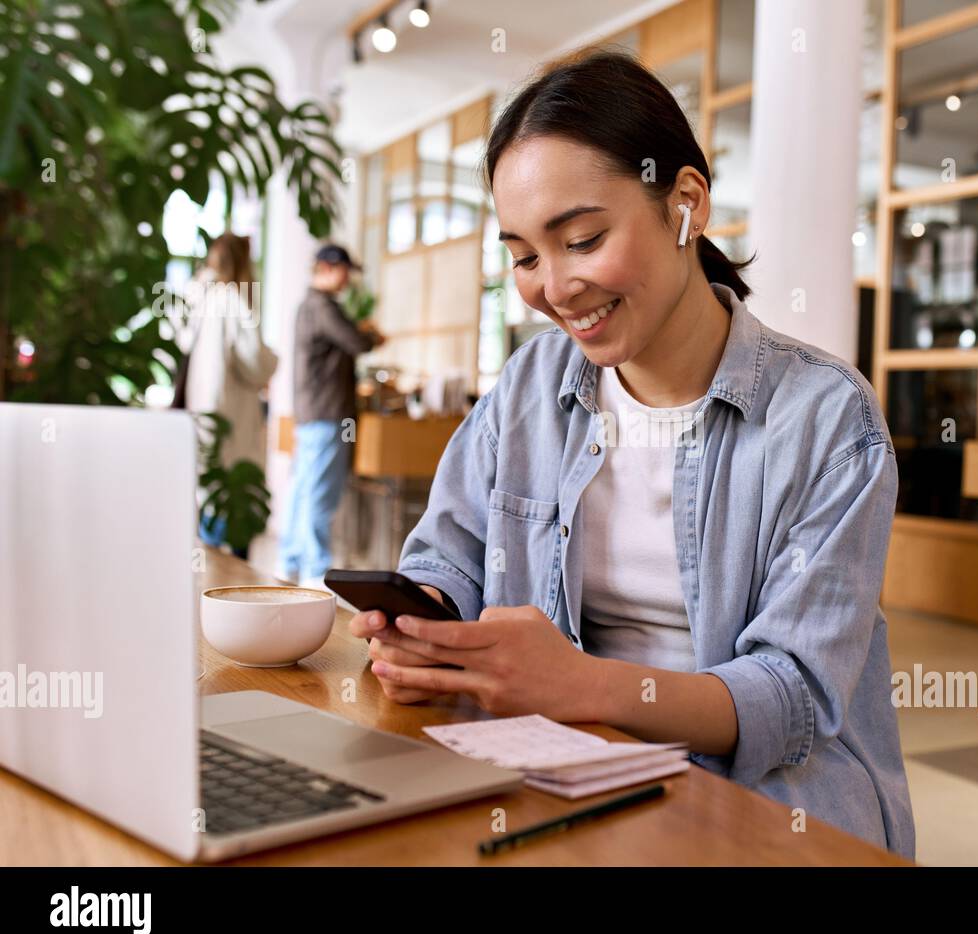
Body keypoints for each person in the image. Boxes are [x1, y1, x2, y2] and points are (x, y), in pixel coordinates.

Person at [349, 52, 914, 855]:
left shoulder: (825, 419)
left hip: (769, 808)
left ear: (685, 205)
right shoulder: (530, 384)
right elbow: (451, 555)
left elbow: (792, 697)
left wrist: (577, 685)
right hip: (566, 775)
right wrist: (429, 624)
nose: (553, 286)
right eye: (523, 256)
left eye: (582, 239)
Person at [278, 245, 385, 588]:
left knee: (303, 489)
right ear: (326, 267)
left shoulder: (305, 307)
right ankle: (315, 570)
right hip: (328, 414)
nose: (347, 278)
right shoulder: (324, 308)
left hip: (312, 413)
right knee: (320, 492)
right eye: (343, 271)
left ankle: (291, 561)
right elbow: (357, 343)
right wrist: (371, 333)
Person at [182, 233, 278, 559]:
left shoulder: (198, 298)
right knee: (234, 509)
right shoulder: (233, 301)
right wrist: (274, 358)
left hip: (202, 417)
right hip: (232, 421)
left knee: (207, 500)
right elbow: (256, 365)